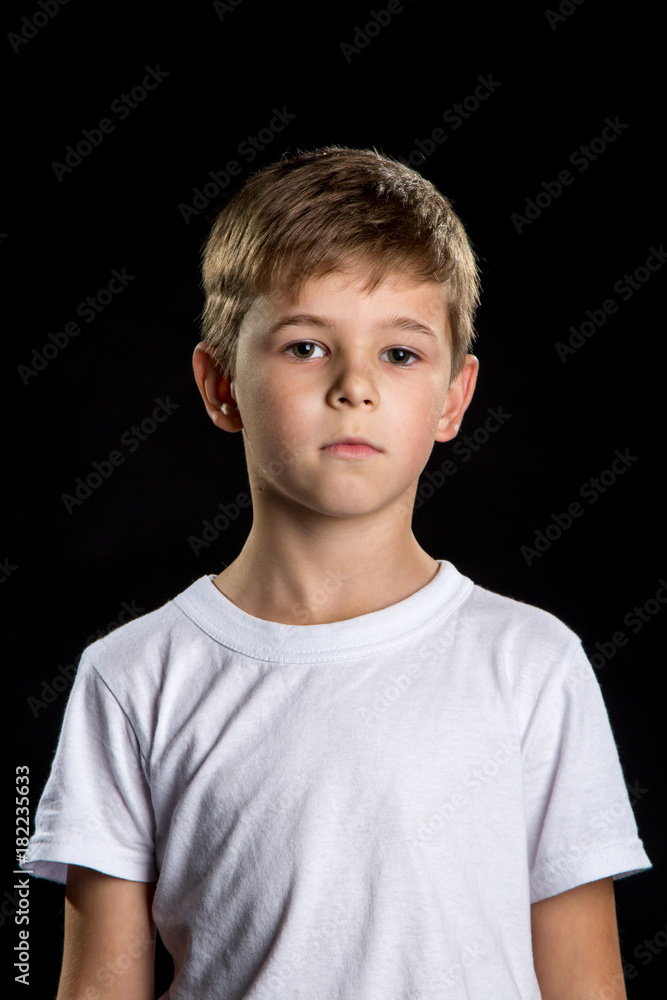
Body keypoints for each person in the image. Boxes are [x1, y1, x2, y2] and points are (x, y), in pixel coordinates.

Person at [22, 145, 651, 1000]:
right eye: (307, 345)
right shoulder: (132, 677)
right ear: (221, 384)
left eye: (399, 354)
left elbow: (585, 984)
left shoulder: (531, 663)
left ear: (453, 397)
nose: (354, 386)